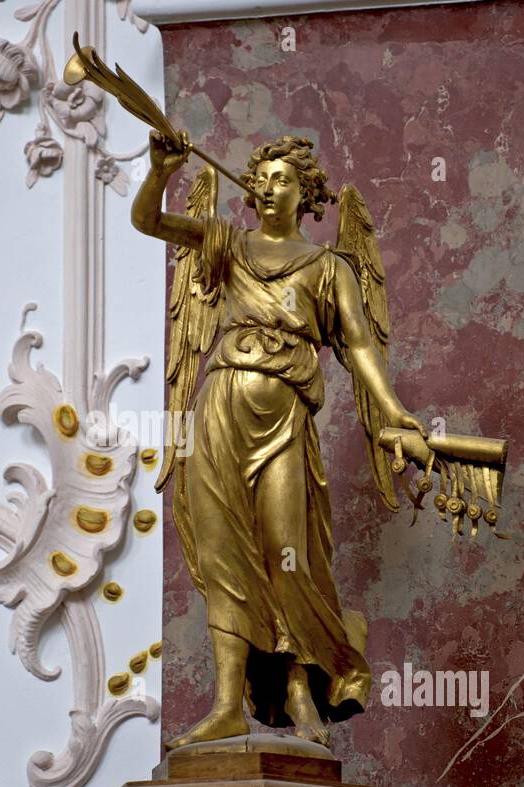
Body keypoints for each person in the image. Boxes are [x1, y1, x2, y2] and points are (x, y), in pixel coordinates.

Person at [133, 131, 431, 749]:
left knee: (285, 551)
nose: (268, 188)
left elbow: (359, 348)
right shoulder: (224, 243)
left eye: (282, 180)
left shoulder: (329, 268)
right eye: (261, 178)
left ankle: (299, 689)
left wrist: (397, 414)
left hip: (284, 423)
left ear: (306, 194)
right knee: (223, 555)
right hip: (217, 412)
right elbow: (147, 221)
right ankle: (225, 705)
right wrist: (161, 170)